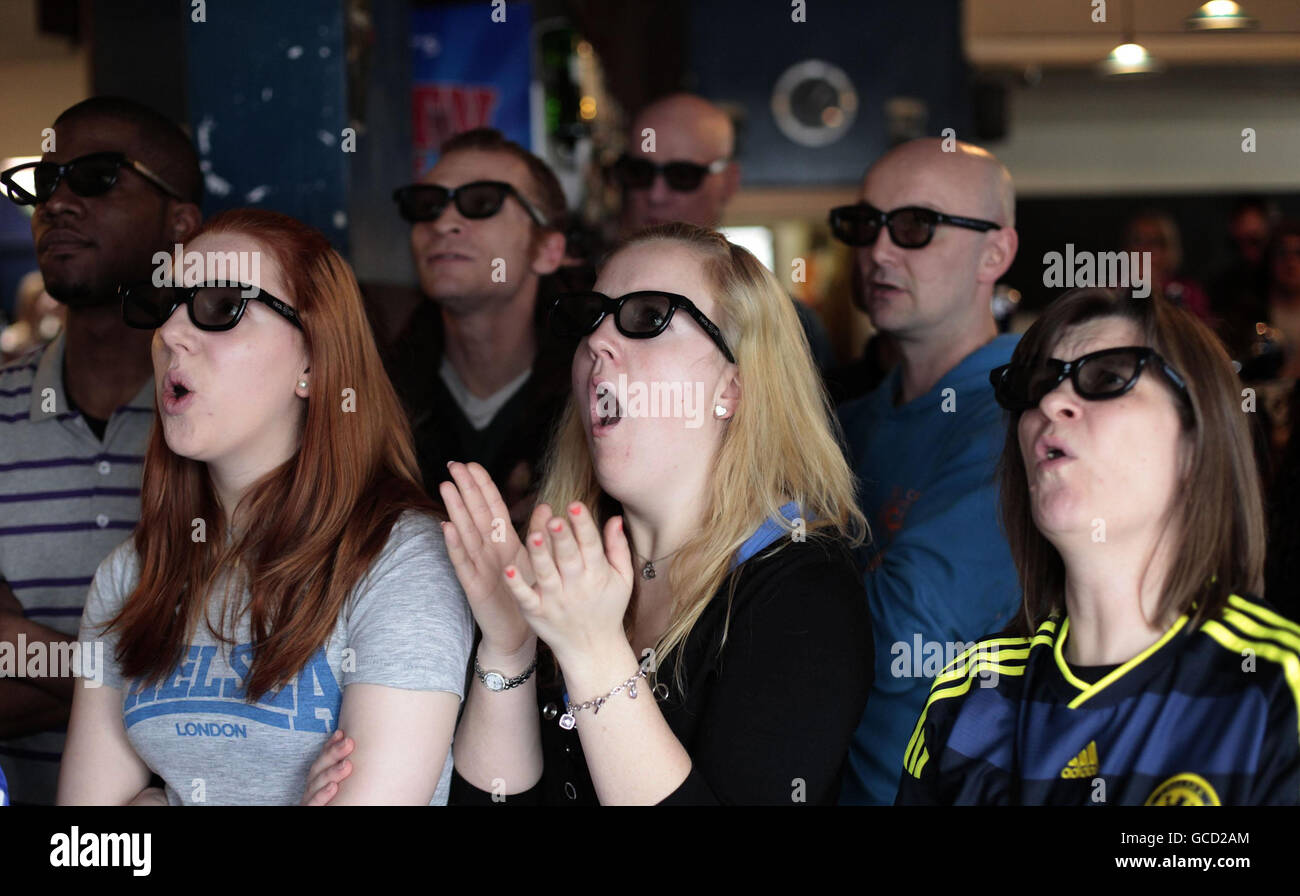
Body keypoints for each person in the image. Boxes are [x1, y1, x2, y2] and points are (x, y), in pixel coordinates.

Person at [308, 223, 873, 805]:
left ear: (732, 385)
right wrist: (509, 641)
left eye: (649, 316)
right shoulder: (564, 561)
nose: (599, 339)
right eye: (591, 317)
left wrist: (594, 653)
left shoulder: (804, 590)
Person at [58, 209, 473, 805]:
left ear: (313, 359)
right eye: (166, 304)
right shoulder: (131, 574)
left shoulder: (400, 557)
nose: (172, 331)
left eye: (221, 305)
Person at [898, 287, 1297, 805]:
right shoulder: (969, 696)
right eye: (1037, 383)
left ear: (1198, 439)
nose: (1050, 402)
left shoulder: (1273, 690)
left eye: (1107, 377)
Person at [0, 96, 202, 804]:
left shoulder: (226, 423)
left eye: (95, 177)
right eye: (42, 182)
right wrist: (158, 686)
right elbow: (204, 687)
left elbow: (250, 675)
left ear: (181, 222)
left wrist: (28, 649)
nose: (57, 202)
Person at [832, 137, 1022, 805]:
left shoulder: (1030, 415)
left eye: (915, 226)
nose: (879, 251)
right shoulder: (843, 423)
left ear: (995, 253)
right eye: (864, 225)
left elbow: (905, 633)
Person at [385, 128, 570, 523]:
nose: (443, 222)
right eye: (427, 205)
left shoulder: (595, 393)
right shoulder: (375, 389)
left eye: (482, 202)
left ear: (548, 251)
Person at [612, 93, 836, 373]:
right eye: (639, 172)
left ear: (728, 182)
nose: (656, 194)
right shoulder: (584, 303)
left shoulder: (783, 324)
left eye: (683, 175)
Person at [1123, 210, 1211, 321]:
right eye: (1138, 241)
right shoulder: (1114, 291)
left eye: (1154, 242)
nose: (1144, 249)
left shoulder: (1188, 293)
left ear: (1169, 249)